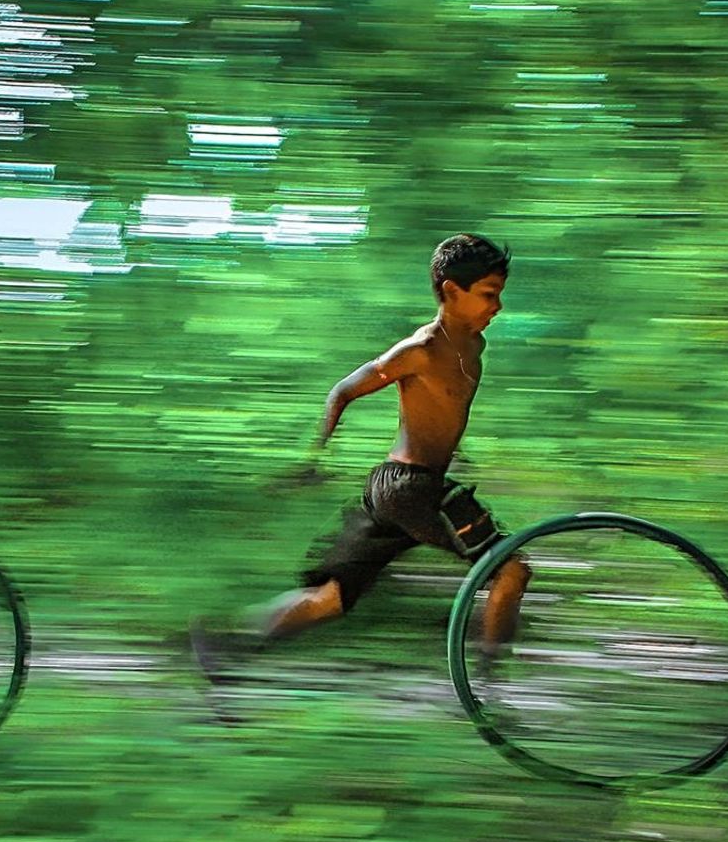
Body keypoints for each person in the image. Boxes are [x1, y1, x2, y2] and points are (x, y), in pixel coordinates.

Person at [192, 233, 532, 679]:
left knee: (329, 598)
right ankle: (490, 691)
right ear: (452, 291)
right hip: (410, 488)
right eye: (488, 295)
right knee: (510, 571)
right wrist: (313, 460)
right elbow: (343, 391)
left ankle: (223, 646)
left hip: (399, 491)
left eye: (499, 295)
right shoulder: (420, 350)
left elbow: (441, 412)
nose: (497, 307)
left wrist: (455, 452)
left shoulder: (474, 347)